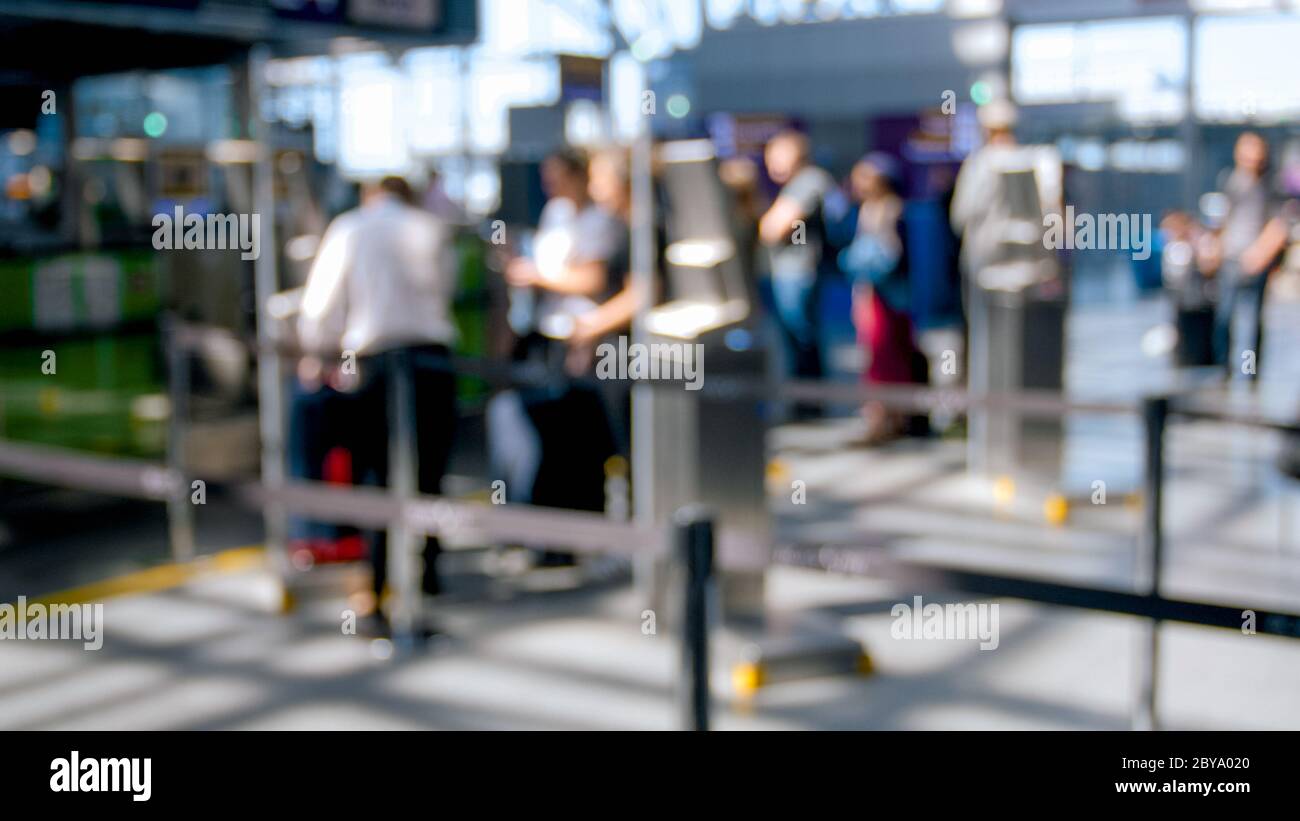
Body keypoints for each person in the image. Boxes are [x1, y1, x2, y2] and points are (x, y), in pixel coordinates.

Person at [295, 175, 459, 629]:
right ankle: (427, 571)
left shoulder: (350, 228)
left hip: (375, 363)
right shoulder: (432, 227)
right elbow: (446, 289)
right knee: (429, 470)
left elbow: (319, 308)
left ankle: (379, 584)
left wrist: (319, 352)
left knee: (376, 474)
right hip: (432, 361)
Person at [838, 153, 926, 444]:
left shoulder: (892, 210)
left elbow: (894, 256)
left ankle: (891, 419)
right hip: (873, 293)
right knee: (877, 356)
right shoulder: (867, 210)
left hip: (888, 296)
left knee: (888, 356)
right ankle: (883, 417)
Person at [758, 130, 836, 410]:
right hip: (791, 273)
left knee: (802, 340)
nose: (771, 162)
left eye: (778, 155)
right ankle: (805, 402)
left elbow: (772, 229)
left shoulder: (808, 182)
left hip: (798, 273)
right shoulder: (797, 185)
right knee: (794, 343)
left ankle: (809, 404)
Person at [1212, 131, 1275, 382]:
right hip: (1231, 257)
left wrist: (1261, 252)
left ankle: (1249, 372)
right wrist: (1216, 248)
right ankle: (1224, 370)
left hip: (1256, 260)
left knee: (1251, 320)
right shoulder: (1231, 181)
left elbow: (1279, 222)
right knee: (1226, 315)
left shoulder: (1269, 184)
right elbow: (1224, 218)